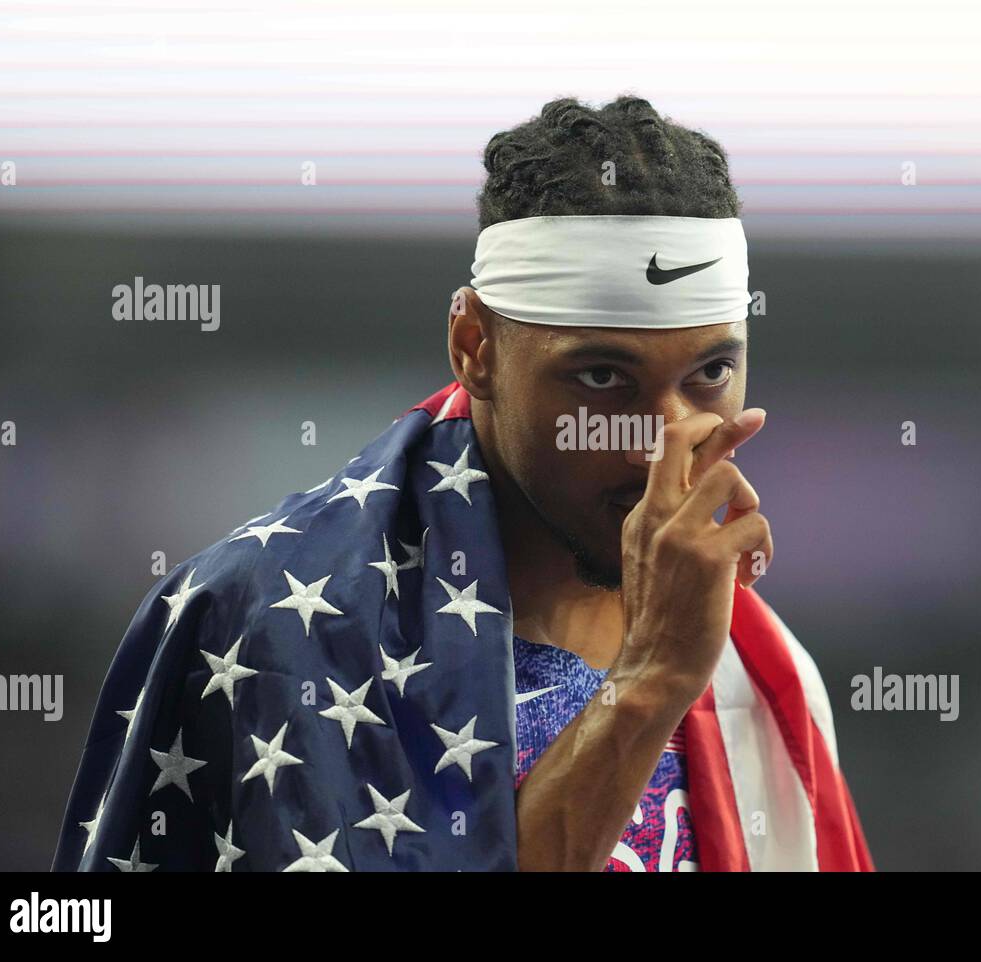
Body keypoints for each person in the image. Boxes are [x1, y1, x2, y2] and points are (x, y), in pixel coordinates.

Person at [52, 94, 873, 872]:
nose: (655, 442)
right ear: (474, 345)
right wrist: (651, 680)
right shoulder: (275, 629)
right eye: (599, 377)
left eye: (709, 374)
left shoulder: (763, 674)